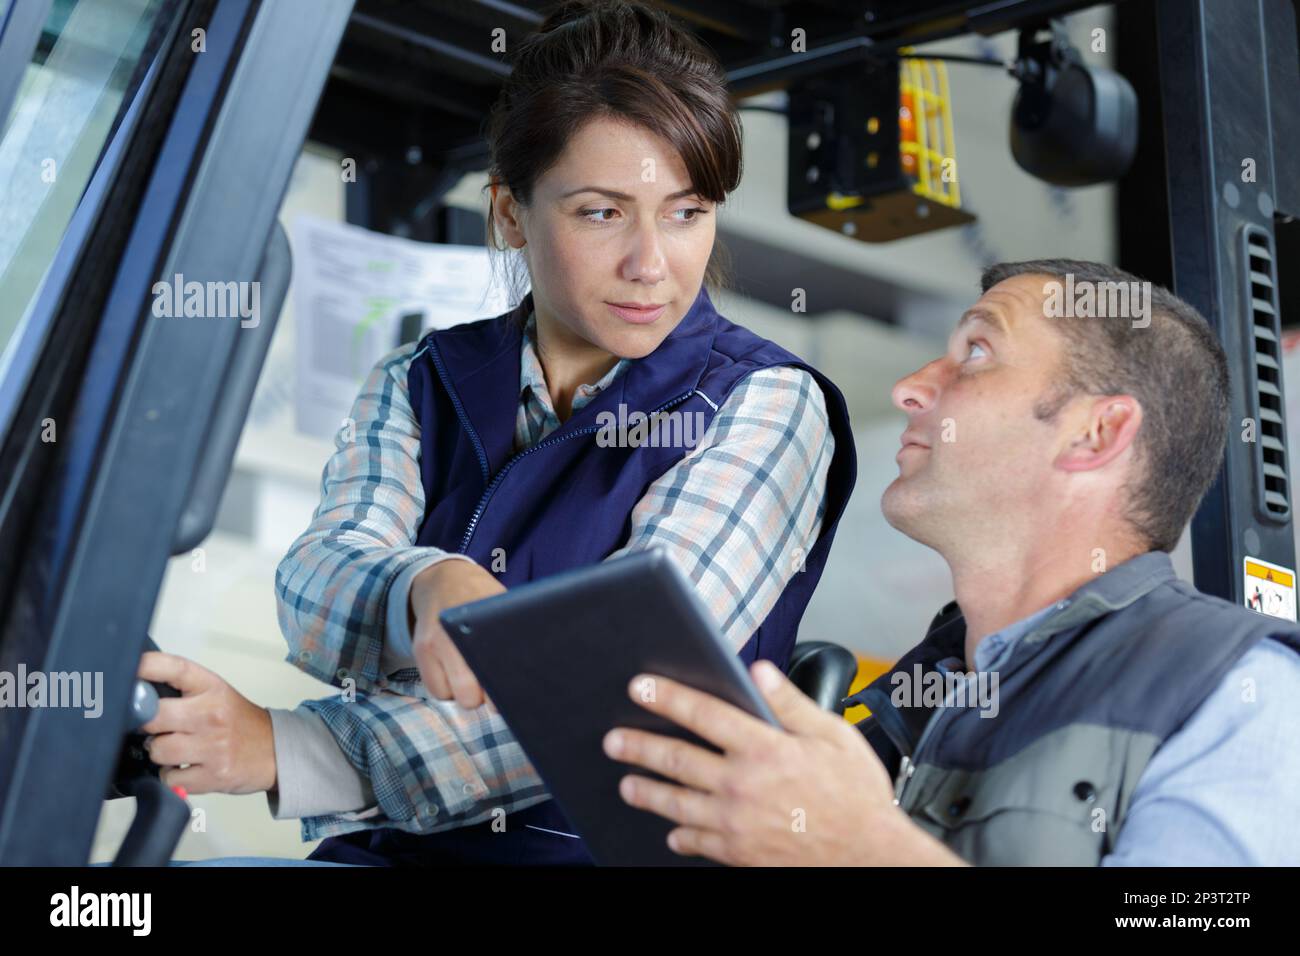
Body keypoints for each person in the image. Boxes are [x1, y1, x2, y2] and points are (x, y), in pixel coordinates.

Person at [134, 0, 856, 866]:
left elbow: (618, 690)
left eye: (686, 212)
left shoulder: (764, 404)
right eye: (602, 212)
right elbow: (318, 578)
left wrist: (289, 749)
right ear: (511, 213)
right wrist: (421, 585)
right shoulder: (423, 378)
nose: (650, 264)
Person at [603, 259, 1300, 866]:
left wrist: (863, 848)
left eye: (976, 352)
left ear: (1096, 433)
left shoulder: (1244, 695)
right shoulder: (905, 710)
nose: (910, 387)